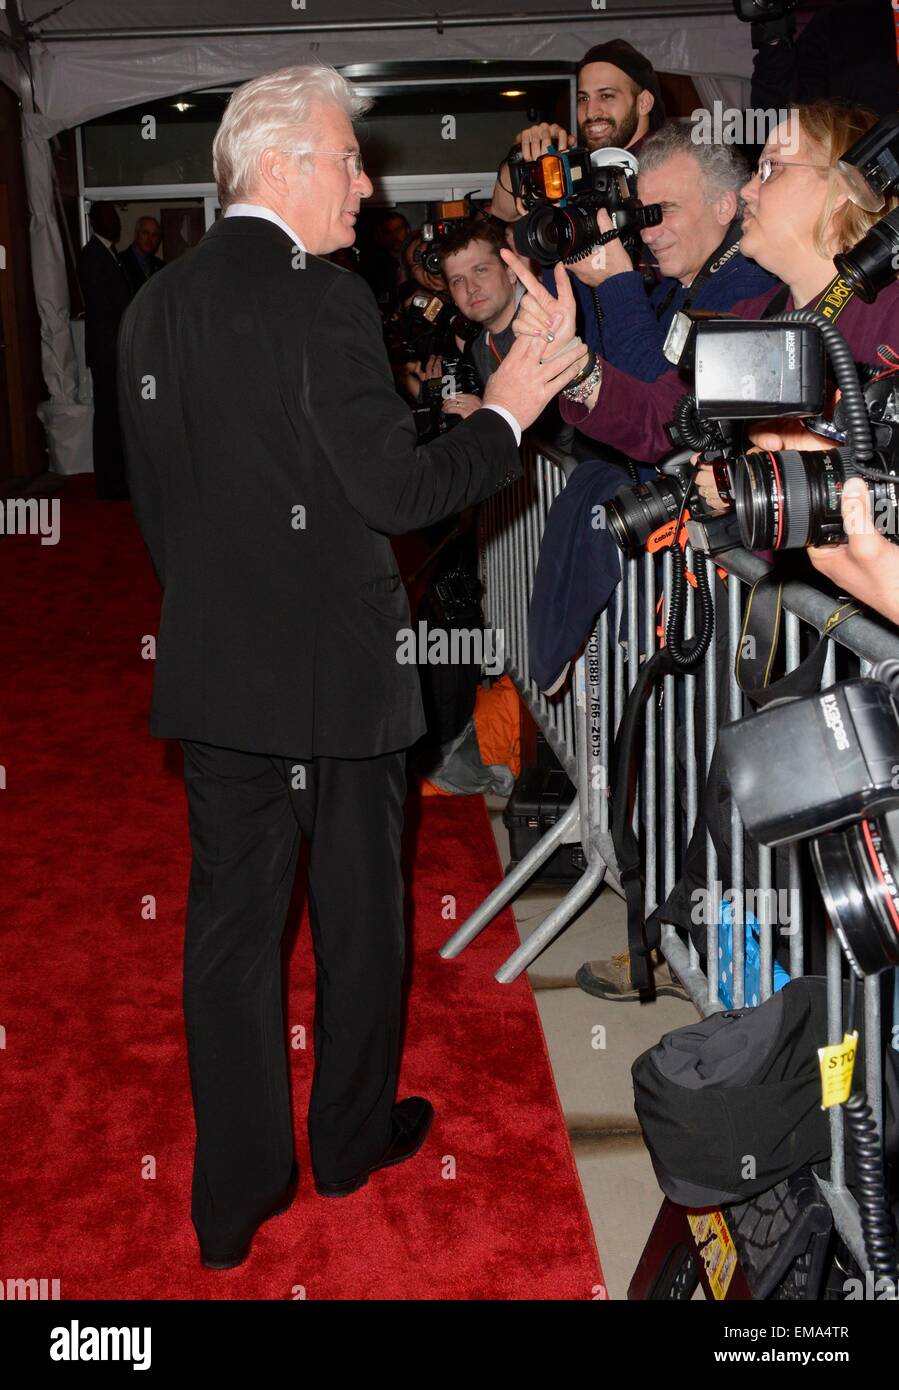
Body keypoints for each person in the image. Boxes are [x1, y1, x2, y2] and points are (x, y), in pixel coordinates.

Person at [117, 62, 586, 1272]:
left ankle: (230, 1198)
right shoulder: (320, 298)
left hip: (220, 675)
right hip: (339, 675)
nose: (366, 184)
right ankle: (347, 1140)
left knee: (227, 934)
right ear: (280, 165)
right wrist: (507, 410)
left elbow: (157, 513)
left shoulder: (152, 307)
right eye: (346, 157)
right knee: (359, 921)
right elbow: (397, 490)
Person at [507, 101, 899, 466]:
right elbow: (661, 418)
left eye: (772, 169)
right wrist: (571, 361)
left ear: (849, 187)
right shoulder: (752, 315)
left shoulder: (891, 314)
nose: (747, 192)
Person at [566, 123, 776, 380]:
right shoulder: (672, 289)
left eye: (666, 210)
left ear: (723, 206)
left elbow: (663, 399)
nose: (648, 233)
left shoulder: (752, 292)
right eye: (645, 214)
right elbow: (611, 381)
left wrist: (617, 284)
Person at [490, 38, 666, 223]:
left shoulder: (672, 164)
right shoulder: (579, 165)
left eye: (606, 96)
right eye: (583, 99)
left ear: (644, 103)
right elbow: (502, 211)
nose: (590, 112)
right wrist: (520, 155)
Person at [76, 201, 134, 500]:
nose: (116, 223)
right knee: (108, 418)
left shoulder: (111, 254)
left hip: (114, 351)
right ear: (96, 221)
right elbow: (102, 311)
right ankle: (109, 484)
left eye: (116, 218)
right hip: (106, 352)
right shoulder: (92, 256)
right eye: (110, 218)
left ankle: (117, 478)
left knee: (115, 417)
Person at [118, 216, 164, 296]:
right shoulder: (119, 262)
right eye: (145, 233)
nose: (149, 239)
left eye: (154, 235)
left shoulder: (160, 266)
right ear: (136, 235)